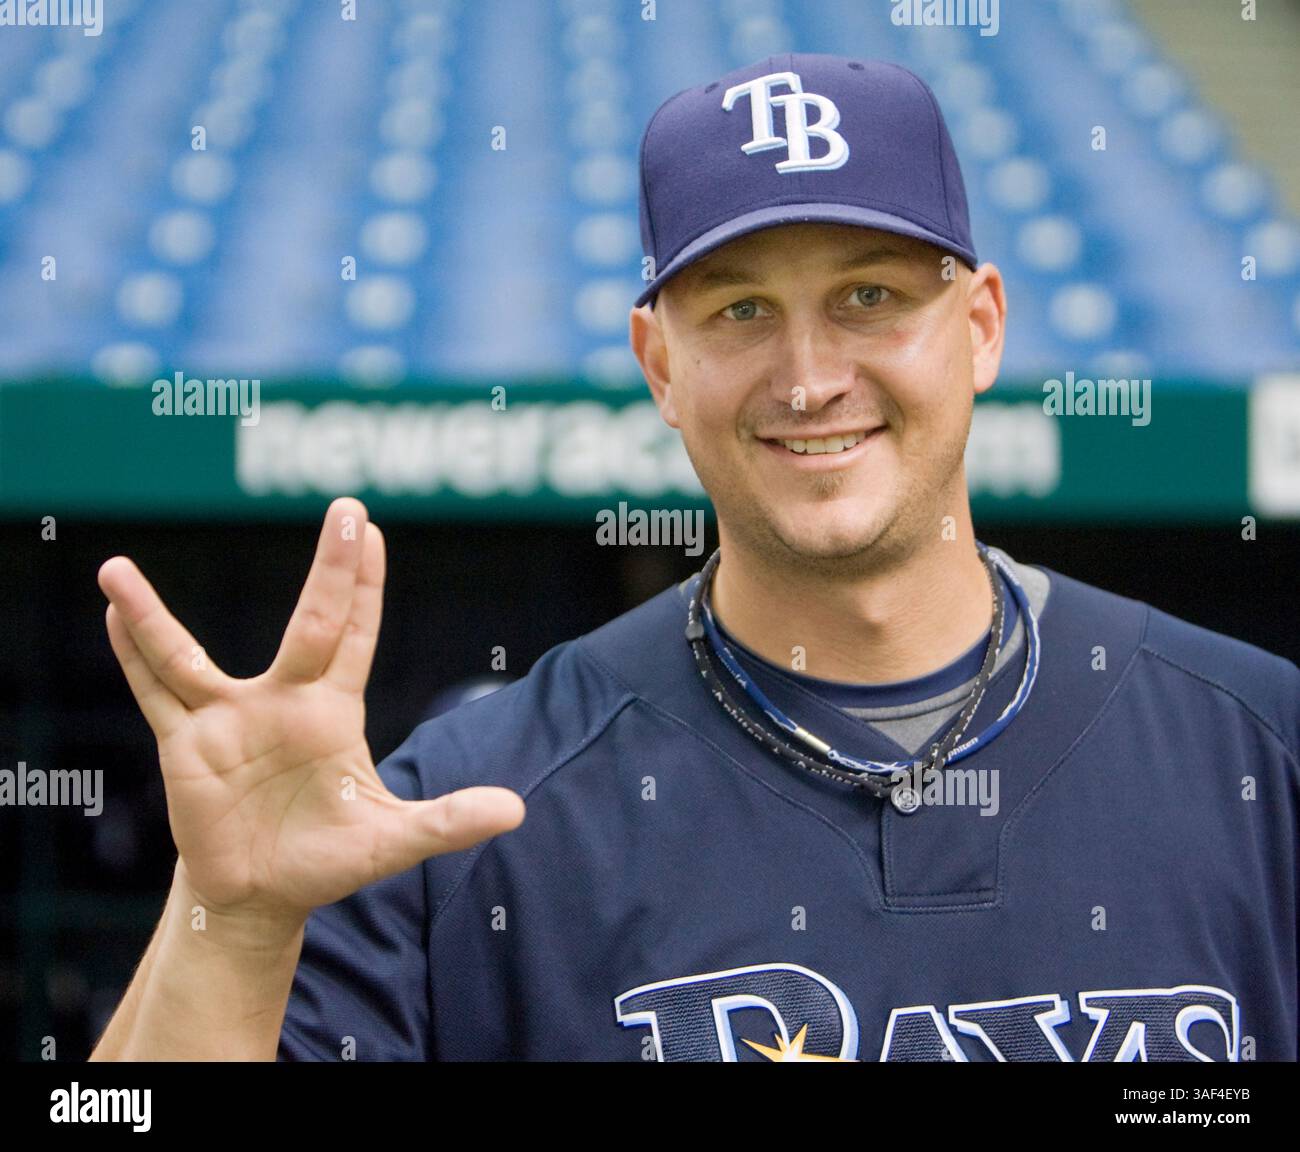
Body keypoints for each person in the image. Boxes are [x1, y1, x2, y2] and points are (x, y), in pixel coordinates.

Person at [90, 54, 1297, 1063]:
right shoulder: (472, 807)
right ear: (659, 365)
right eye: (738, 311)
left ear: (979, 325)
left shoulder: (1260, 747)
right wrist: (234, 925)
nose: (811, 377)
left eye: (869, 296)